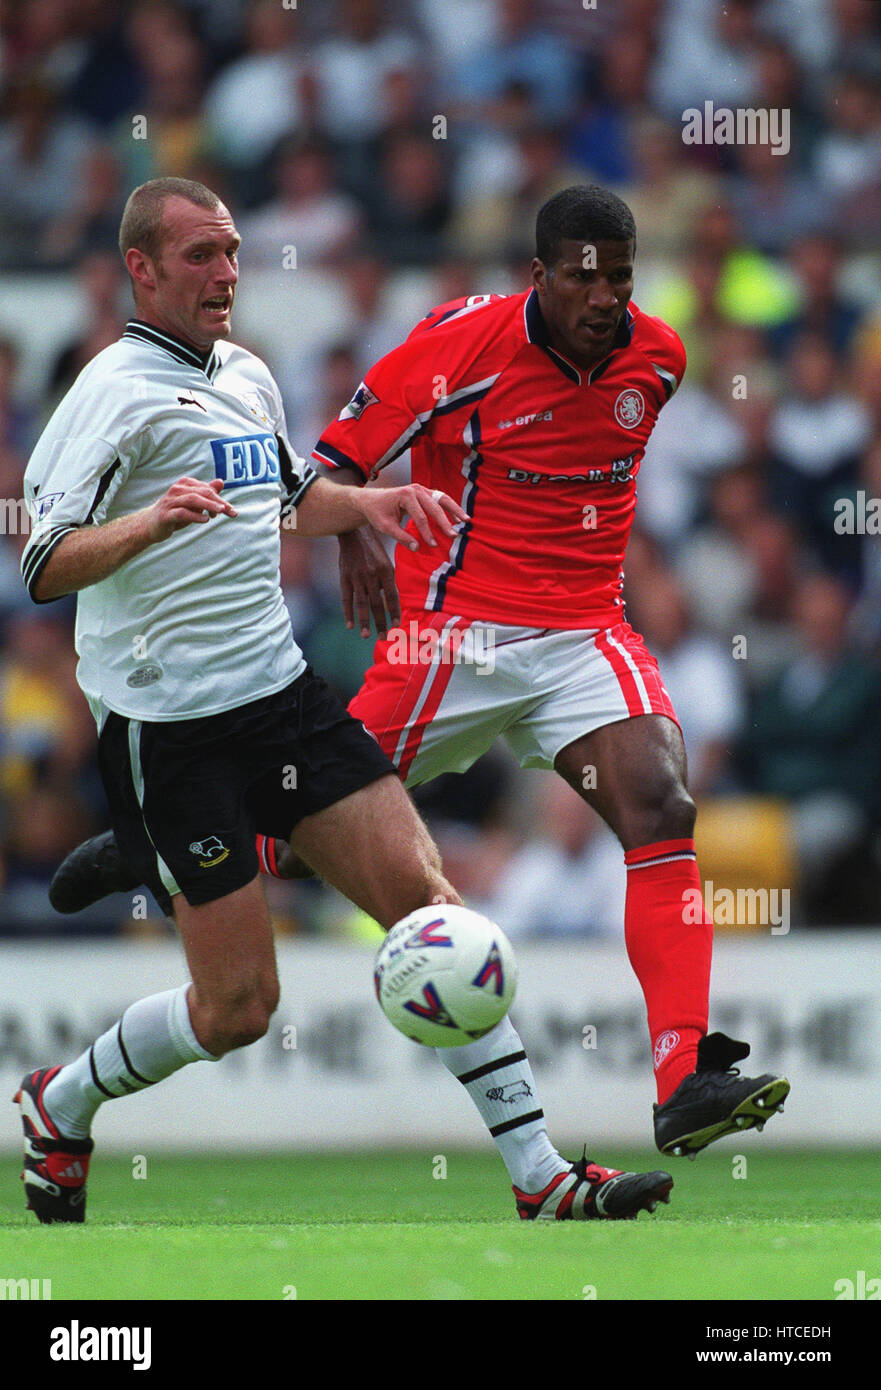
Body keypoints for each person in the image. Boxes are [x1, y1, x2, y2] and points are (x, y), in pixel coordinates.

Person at [49, 182, 790, 1191]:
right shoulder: (453, 345)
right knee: (260, 952)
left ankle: (667, 1087)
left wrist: (352, 509)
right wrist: (351, 520)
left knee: (650, 807)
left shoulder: (657, 361)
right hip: (452, 638)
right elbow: (320, 465)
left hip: (579, 629)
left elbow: (301, 483)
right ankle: (145, 865)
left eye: (619, 278)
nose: (604, 298)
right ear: (538, 276)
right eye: (583, 279)